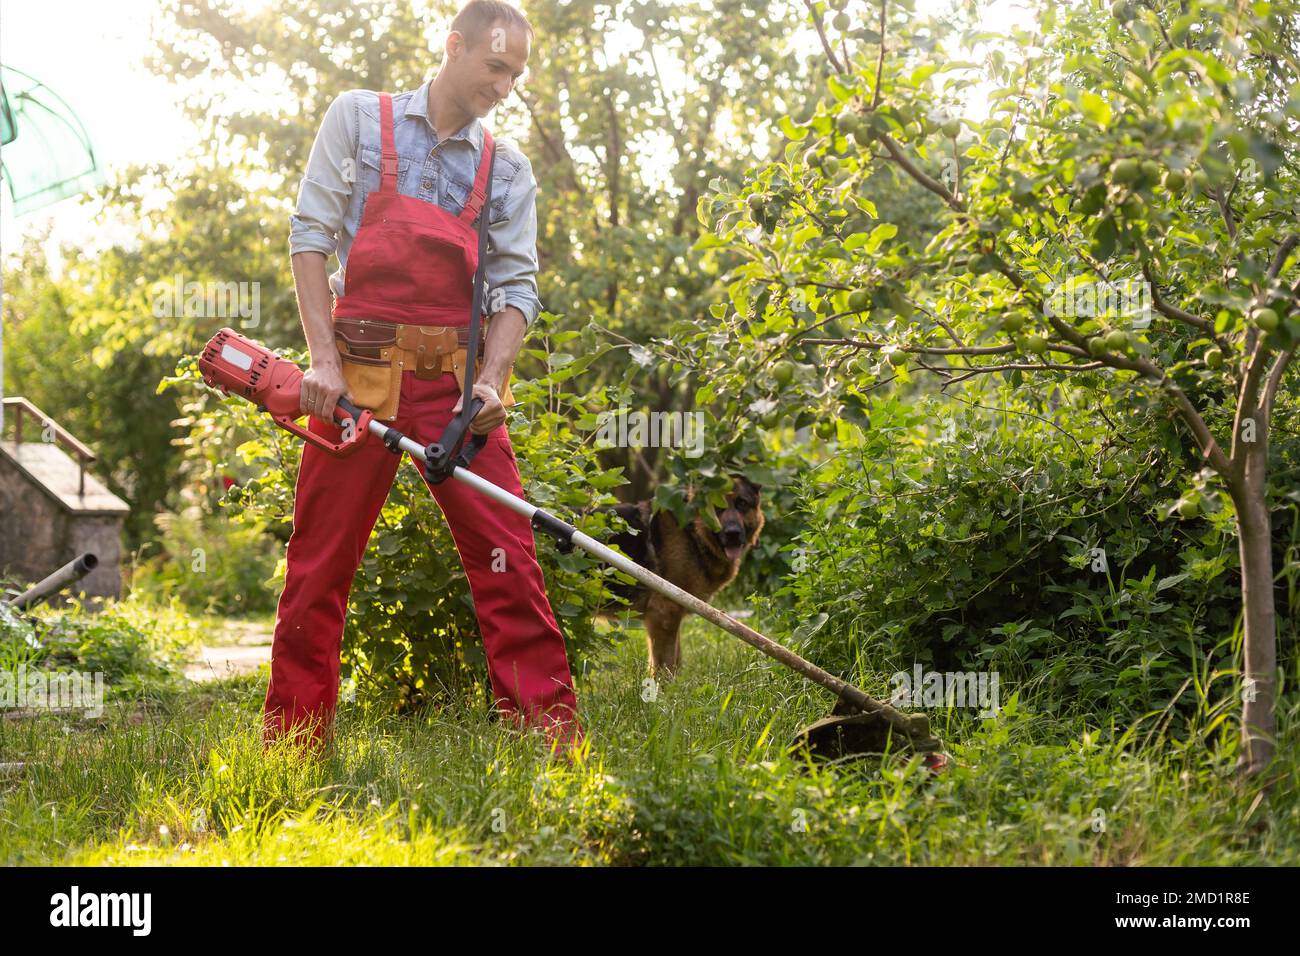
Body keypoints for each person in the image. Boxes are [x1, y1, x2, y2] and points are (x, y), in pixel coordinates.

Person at [268, 0, 583, 759]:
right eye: (495, 66)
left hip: (457, 390)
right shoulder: (357, 119)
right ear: (453, 47)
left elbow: (517, 288)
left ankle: (550, 743)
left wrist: (493, 381)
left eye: (517, 74)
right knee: (318, 565)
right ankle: (292, 747)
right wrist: (322, 361)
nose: (505, 86)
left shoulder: (506, 167)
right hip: (360, 375)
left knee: (511, 560)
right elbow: (310, 237)